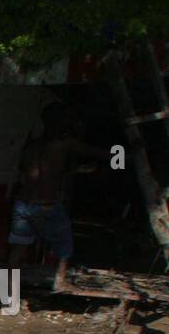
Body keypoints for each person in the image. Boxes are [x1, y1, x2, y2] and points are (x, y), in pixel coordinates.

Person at [7, 103, 105, 291]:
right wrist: (122, 154)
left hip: (23, 203)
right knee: (64, 241)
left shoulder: (31, 146)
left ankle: (9, 289)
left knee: (18, 246)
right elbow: (99, 153)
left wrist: (73, 170)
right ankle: (59, 279)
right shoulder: (64, 144)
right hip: (45, 204)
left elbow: (40, 174)